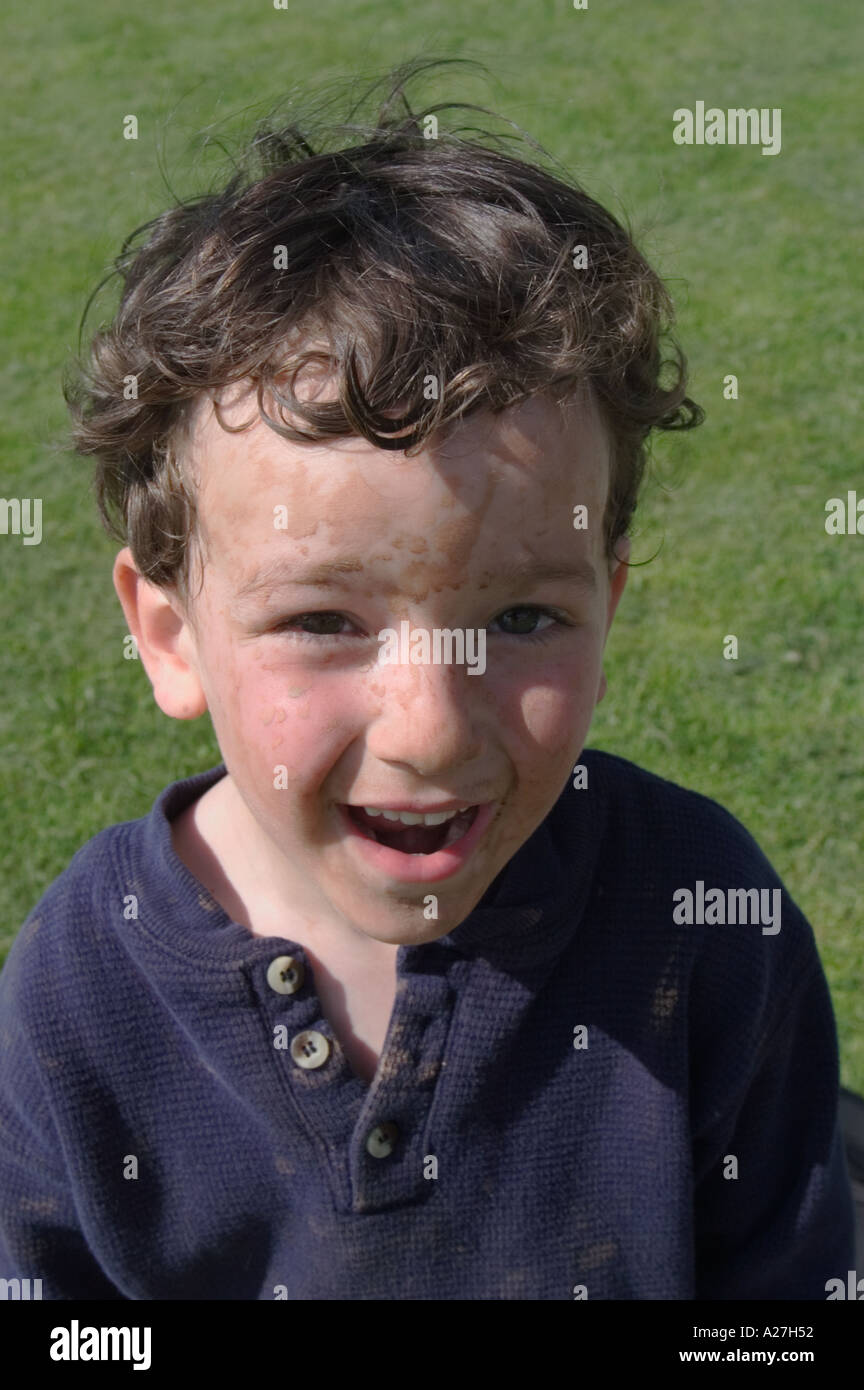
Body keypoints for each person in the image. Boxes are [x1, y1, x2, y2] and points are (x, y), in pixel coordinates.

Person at [0, 59, 855, 1300]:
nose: (431, 728)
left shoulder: (704, 920)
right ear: (171, 634)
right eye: (324, 620)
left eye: (520, 616)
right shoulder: (82, 988)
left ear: (608, 604)